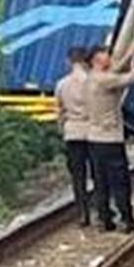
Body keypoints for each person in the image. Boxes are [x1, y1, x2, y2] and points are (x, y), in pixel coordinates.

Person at [86, 42, 134, 233]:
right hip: (110, 139)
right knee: (120, 180)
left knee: (101, 182)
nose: (109, 56)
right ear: (96, 60)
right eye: (105, 53)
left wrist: (130, 55)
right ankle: (127, 219)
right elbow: (132, 77)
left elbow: (116, 70)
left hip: (94, 139)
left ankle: (105, 219)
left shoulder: (91, 79)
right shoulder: (105, 81)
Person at [54, 47, 95, 226]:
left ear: (69, 61)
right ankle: (103, 211)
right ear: (85, 61)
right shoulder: (92, 82)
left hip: (72, 133)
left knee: (78, 176)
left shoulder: (62, 84)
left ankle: (83, 214)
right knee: (97, 173)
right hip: (93, 132)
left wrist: (62, 127)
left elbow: (60, 111)